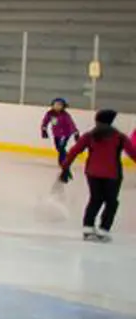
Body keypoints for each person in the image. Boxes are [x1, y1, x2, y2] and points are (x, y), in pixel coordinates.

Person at [61, 109, 134, 242]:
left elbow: (74, 151)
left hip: (93, 173)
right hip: (112, 174)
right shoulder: (119, 137)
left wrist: (65, 168)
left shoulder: (90, 135)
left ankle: (88, 228)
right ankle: (104, 229)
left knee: (95, 199)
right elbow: (134, 154)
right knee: (111, 202)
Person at [41, 97, 80, 183]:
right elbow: (45, 122)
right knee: (58, 148)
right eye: (55, 104)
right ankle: (65, 159)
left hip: (65, 134)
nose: (57, 106)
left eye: (59, 105)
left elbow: (71, 124)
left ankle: (64, 162)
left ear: (63, 106)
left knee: (61, 147)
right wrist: (44, 129)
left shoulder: (65, 115)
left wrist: (76, 133)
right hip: (56, 134)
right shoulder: (50, 114)